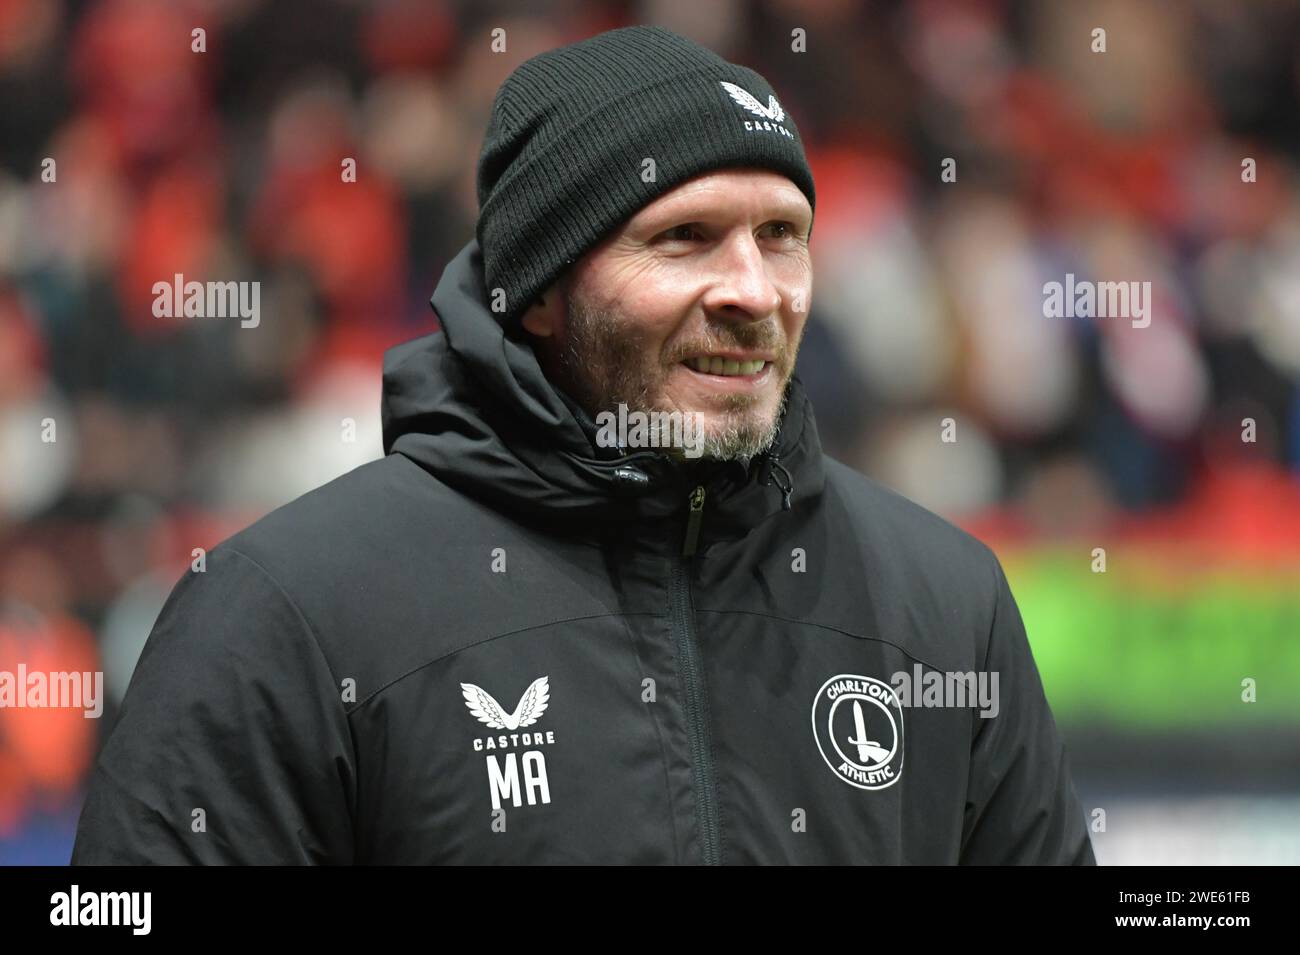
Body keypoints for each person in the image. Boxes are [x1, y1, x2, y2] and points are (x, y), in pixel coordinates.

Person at [72, 25, 1095, 865]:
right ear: (545, 293)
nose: (753, 291)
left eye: (781, 234)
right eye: (683, 237)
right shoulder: (288, 611)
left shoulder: (941, 603)